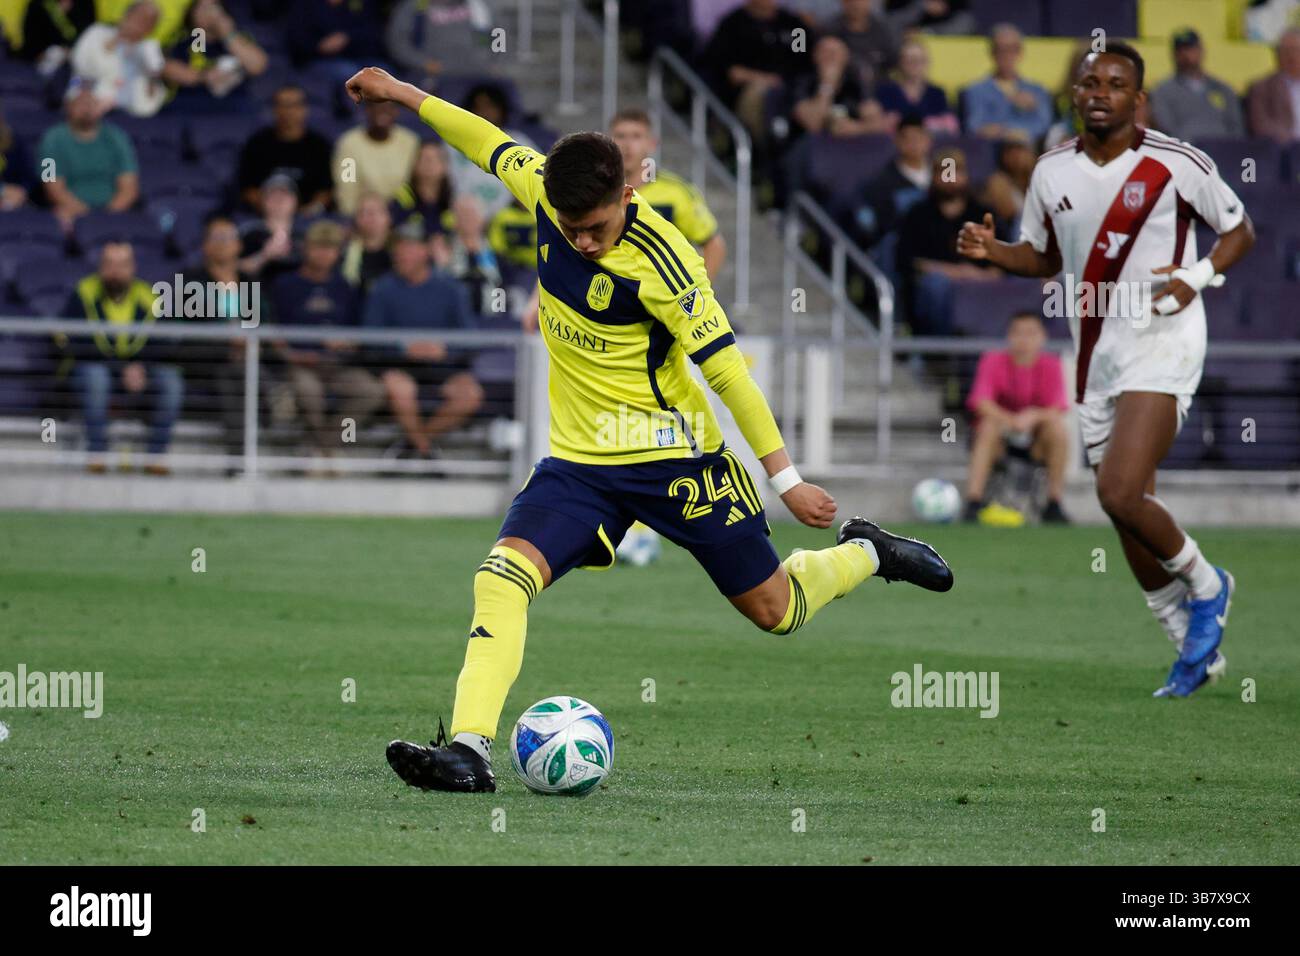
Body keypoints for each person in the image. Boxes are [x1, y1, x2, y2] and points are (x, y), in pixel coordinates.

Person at [344, 65, 953, 793]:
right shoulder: (544, 189)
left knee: (776, 611)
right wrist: (404, 95)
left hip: (678, 461)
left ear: (626, 197)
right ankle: (469, 753)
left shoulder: (669, 262)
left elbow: (727, 375)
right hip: (580, 464)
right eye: (571, 232)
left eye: (596, 228)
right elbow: (485, 140)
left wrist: (784, 479)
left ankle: (867, 554)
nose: (584, 243)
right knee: (499, 579)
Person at [957, 42, 1255, 698]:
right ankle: (1189, 647)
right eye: (1090, 82)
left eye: (1116, 84)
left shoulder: (1177, 163)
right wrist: (992, 251)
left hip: (1165, 339)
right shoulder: (1050, 172)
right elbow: (1040, 259)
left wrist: (1197, 276)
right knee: (1125, 509)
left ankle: (1209, 587)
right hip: (1096, 353)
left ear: (1137, 99)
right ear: (1074, 93)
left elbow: (1240, 231)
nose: (1100, 92)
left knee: (1118, 490)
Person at [363, 217, 484, 458]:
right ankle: (425, 450)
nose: (401, 254)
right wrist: (403, 349)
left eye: (409, 247)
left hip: (443, 367)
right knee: (400, 389)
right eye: (398, 248)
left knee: (470, 395)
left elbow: (471, 337)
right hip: (400, 366)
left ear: (425, 251)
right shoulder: (382, 288)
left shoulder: (451, 288)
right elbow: (369, 337)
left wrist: (444, 350)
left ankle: (413, 446)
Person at [270, 220, 386, 467]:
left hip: (337, 365)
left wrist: (347, 343)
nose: (324, 253)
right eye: (318, 247)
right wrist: (291, 356)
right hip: (299, 364)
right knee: (310, 392)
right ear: (306, 248)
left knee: (371, 391)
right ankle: (326, 452)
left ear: (338, 253)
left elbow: (359, 334)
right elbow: (272, 331)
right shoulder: (285, 285)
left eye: (330, 248)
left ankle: (322, 446)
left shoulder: (345, 287)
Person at [61, 240, 182, 473]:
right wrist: (120, 367)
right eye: (109, 264)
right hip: (94, 371)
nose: (115, 271)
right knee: (96, 378)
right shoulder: (83, 293)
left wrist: (142, 367)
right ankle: (97, 452)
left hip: (139, 372)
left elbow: (163, 342)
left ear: (133, 267)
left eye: (122, 264)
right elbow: (75, 342)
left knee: (171, 381)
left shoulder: (148, 295)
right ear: (100, 266)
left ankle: (156, 457)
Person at [963, 311, 1070, 524]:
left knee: (1057, 428)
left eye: (1031, 333)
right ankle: (973, 502)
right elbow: (980, 402)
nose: (1024, 340)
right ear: (1009, 336)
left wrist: (1032, 416)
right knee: (987, 425)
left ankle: (1054, 503)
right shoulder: (992, 359)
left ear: (1042, 337)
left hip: (1036, 441)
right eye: (1018, 333)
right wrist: (1011, 420)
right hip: (1000, 439)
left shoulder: (1052, 364)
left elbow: (1058, 407)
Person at [609, 108, 726, 280]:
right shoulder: (598, 192)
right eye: (620, 136)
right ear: (607, 142)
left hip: (658, 297)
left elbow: (714, 244)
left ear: (652, 143)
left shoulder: (675, 193)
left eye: (636, 136)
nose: (627, 145)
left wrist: (696, 295)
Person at [896, 147, 999, 335]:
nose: (950, 179)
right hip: (934, 286)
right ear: (934, 177)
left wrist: (982, 275)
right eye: (944, 172)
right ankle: (940, 351)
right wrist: (955, 272)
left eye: (956, 172)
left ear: (966, 176)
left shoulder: (982, 213)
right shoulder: (918, 214)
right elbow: (908, 260)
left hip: (979, 283)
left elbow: (1002, 259)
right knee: (937, 284)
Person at [704, 0, 812, 146]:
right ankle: (760, 151)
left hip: (792, 89)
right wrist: (765, 79)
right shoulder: (733, 24)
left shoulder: (793, 24)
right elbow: (731, 71)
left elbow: (803, 62)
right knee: (758, 94)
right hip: (747, 92)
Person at [38, 79, 140, 226]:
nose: (87, 109)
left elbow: (129, 185)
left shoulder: (117, 137)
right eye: (80, 103)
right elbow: (52, 186)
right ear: (68, 106)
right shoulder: (51, 140)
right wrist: (86, 215)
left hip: (113, 213)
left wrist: (108, 215)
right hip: (71, 213)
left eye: (91, 103)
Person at [235, 84, 335, 213]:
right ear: (274, 110)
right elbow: (247, 188)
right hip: (265, 214)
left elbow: (326, 190)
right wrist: (272, 210)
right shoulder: (256, 144)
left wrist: (310, 211)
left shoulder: (320, 146)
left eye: (295, 105)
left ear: (305, 109)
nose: (288, 111)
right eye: (283, 105)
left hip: (307, 216)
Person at [161, 0, 268, 114]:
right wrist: (203, 76)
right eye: (202, 8)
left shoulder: (238, 38)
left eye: (214, 6)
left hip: (235, 107)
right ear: (192, 14)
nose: (210, 12)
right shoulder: (190, 39)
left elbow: (258, 66)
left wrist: (228, 35)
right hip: (192, 106)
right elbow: (164, 68)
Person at [69, 0, 167, 116]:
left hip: (130, 116)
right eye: (139, 17)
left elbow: (153, 95)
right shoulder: (97, 32)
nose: (141, 24)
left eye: (149, 22)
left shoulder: (149, 48)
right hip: (89, 109)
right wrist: (117, 40)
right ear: (126, 15)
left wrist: (150, 69)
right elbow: (81, 67)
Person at [961, 24, 1054, 146]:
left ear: (1020, 52)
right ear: (992, 53)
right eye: (1001, 49)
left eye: (1012, 49)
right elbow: (975, 127)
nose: (1007, 55)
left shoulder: (1037, 90)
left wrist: (1034, 108)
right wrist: (1007, 132)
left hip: (1029, 152)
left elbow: (1046, 126)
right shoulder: (975, 91)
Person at [850, 114, 931, 248]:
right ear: (897, 141)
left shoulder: (944, 169)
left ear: (928, 140)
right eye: (908, 139)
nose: (914, 144)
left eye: (919, 138)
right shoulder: (882, 182)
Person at [1149, 30, 1244, 142]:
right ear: (1173, 55)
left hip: (1223, 151)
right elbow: (1166, 129)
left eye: (1191, 49)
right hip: (1185, 152)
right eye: (1180, 50)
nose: (1186, 54)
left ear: (1201, 51)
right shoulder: (1162, 91)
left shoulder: (1223, 89)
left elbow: (1237, 129)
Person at [333, 99, 421, 215]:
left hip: (405, 215)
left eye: (388, 107)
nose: (383, 111)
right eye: (377, 106)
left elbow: (419, 184)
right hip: (364, 216)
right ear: (367, 110)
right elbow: (347, 187)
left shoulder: (410, 142)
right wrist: (352, 216)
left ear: (396, 111)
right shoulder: (349, 144)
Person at [874, 36, 958, 134]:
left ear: (927, 63)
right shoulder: (885, 91)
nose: (914, 64)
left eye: (918, 60)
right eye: (909, 59)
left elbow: (951, 125)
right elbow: (880, 125)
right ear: (900, 62)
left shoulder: (936, 93)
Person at [820, 0, 898, 92]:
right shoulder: (830, 29)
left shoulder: (883, 28)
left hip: (879, 87)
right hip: (843, 89)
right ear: (843, 3)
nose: (856, 5)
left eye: (860, 1)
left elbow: (892, 61)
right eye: (851, 1)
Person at [238, 172, 301, 285]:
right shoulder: (249, 233)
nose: (278, 199)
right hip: (259, 295)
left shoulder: (305, 234)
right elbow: (232, 269)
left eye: (284, 194)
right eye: (272, 194)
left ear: (295, 200)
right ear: (262, 201)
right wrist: (265, 256)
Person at [1246, 26, 1300, 143]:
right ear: (1277, 54)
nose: (1291, 56)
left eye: (1296, 50)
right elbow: (1260, 125)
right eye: (1286, 51)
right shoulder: (1261, 88)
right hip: (1285, 151)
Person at [341, 192, 396, 295]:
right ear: (356, 219)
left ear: (389, 217)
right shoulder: (343, 253)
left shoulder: (400, 252)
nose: (371, 217)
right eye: (364, 212)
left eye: (377, 211)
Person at [17, 0, 95, 65]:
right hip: (46, 59)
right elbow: (31, 41)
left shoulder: (84, 3)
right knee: (56, 53)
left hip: (79, 54)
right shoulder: (38, 5)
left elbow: (90, 32)